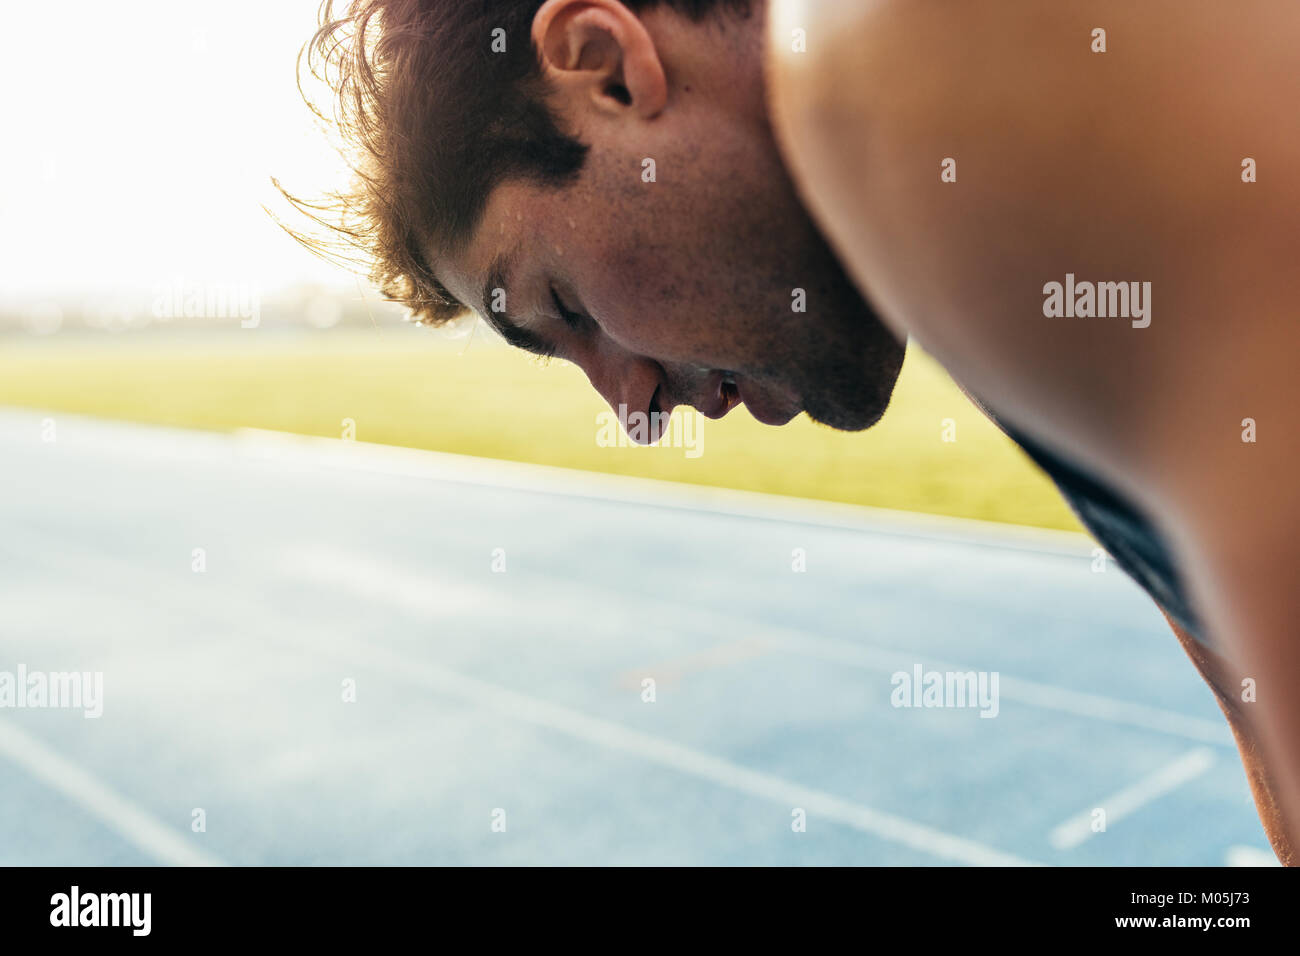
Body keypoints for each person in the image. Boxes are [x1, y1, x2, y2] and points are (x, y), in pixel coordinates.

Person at [288, 0, 1298, 862]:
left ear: (606, 66)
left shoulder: (911, 61)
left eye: (565, 305)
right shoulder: (934, 211)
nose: (630, 407)